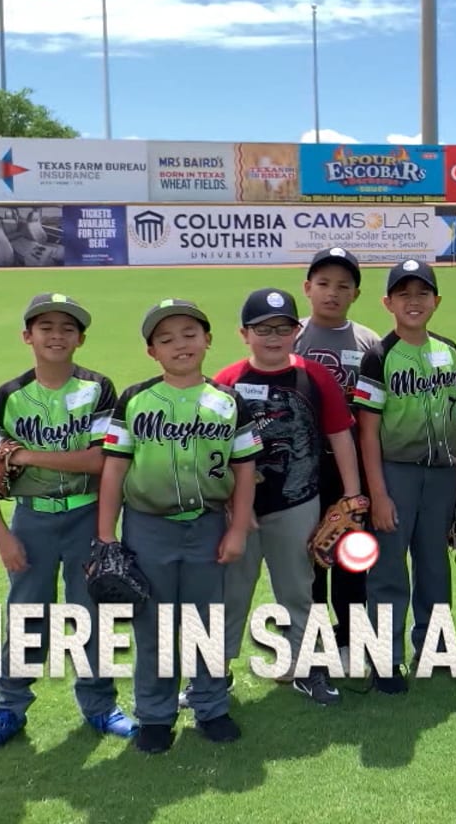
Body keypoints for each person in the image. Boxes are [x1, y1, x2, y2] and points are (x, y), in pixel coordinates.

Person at [0, 293, 137, 756]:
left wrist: (28, 455)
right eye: (46, 327)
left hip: (84, 516)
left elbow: (102, 460)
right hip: (32, 520)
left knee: (90, 617)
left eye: (67, 328)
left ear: (80, 338)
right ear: (27, 337)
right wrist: (2, 536)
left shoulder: (98, 388)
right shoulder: (11, 394)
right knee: (26, 617)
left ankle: (100, 704)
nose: (56, 335)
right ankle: (8, 709)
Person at [99, 298, 261, 753]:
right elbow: (113, 469)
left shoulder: (228, 401)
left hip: (207, 524)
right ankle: (155, 713)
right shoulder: (135, 399)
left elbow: (245, 469)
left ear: (208, 340)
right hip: (148, 526)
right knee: (153, 623)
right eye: (166, 339)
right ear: (152, 352)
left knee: (205, 623)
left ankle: (210, 705)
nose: (180, 345)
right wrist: (106, 535)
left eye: (190, 334)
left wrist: (237, 529)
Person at [213, 288, 360, 706]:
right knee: (229, 591)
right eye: (263, 329)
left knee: (299, 588)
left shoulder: (315, 377)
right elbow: (214, 450)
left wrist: (352, 497)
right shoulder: (227, 381)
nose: (273, 337)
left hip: (297, 503)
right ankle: (214, 674)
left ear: (297, 331)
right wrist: (227, 501)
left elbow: (340, 437)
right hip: (238, 509)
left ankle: (306, 667)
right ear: (244, 333)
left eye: (282, 328)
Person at [353, 260, 456, 693]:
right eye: (404, 294)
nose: (414, 301)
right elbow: (367, 431)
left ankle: (434, 647)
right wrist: (378, 493)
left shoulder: (449, 350)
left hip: (441, 474)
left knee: (434, 565)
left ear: (436, 300)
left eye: (422, 293)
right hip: (396, 472)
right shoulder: (379, 355)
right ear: (388, 303)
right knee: (387, 568)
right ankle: (386, 660)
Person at [294, 248, 381, 653]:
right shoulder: (288, 335)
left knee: (351, 549)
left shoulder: (369, 342)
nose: (333, 292)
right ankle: (312, 636)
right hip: (302, 467)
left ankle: (350, 636)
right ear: (307, 288)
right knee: (307, 553)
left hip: (352, 466)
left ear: (356, 294)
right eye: (324, 284)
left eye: (343, 286)